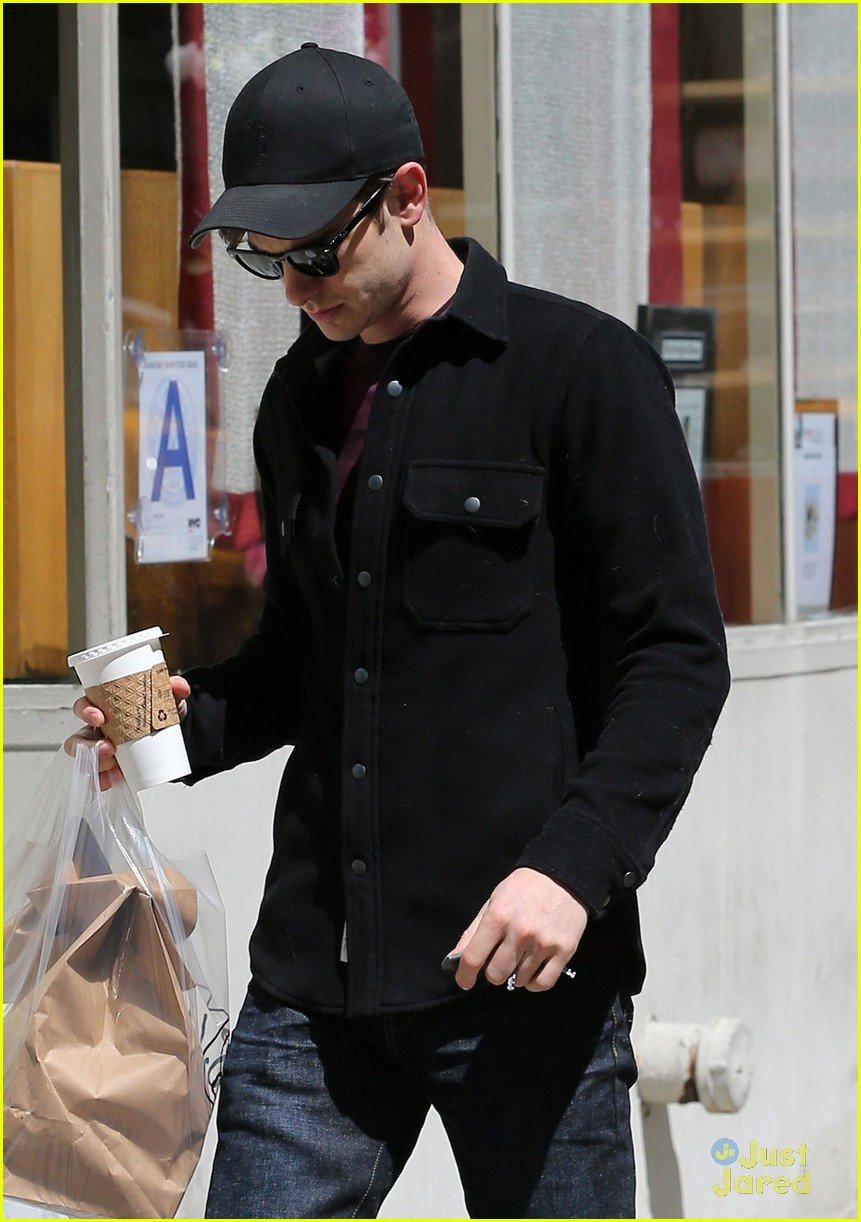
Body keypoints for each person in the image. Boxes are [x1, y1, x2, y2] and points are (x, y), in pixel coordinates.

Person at [66, 44, 731, 1219]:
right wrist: (181, 723)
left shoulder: (581, 371)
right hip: (315, 985)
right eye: (256, 253)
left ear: (409, 196)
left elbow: (675, 659)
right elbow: (304, 663)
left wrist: (574, 870)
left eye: (314, 247)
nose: (291, 285)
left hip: (527, 973)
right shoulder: (296, 403)